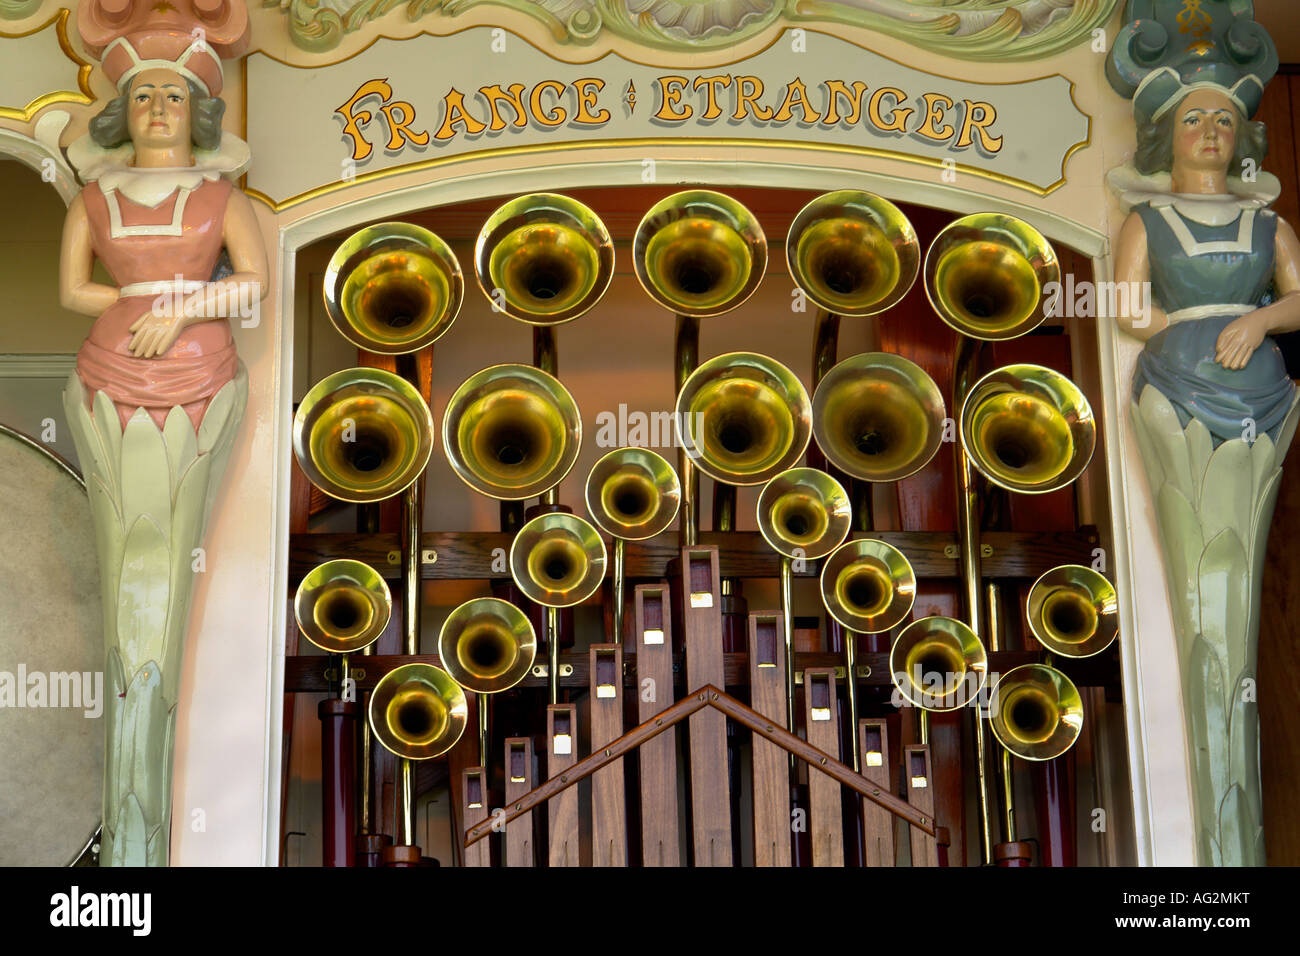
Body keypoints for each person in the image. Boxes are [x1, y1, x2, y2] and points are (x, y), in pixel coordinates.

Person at [59, 31, 266, 432]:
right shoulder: (90, 200)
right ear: (123, 113)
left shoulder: (225, 198)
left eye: (173, 97)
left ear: (194, 114)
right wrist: (139, 306)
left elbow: (255, 280)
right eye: (142, 96)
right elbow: (71, 291)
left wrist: (179, 312)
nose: (158, 107)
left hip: (201, 363)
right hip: (112, 358)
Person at [1112, 86, 1300, 444]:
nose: (1210, 132)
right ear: (1168, 138)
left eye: (1224, 121)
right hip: (1178, 381)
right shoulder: (1146, 221)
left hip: (1263, 387)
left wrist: (1260, 321)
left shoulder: (1269, 225)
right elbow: (1127, 308)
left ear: (1239, 139)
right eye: (1193, 120)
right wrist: (1185, 337)